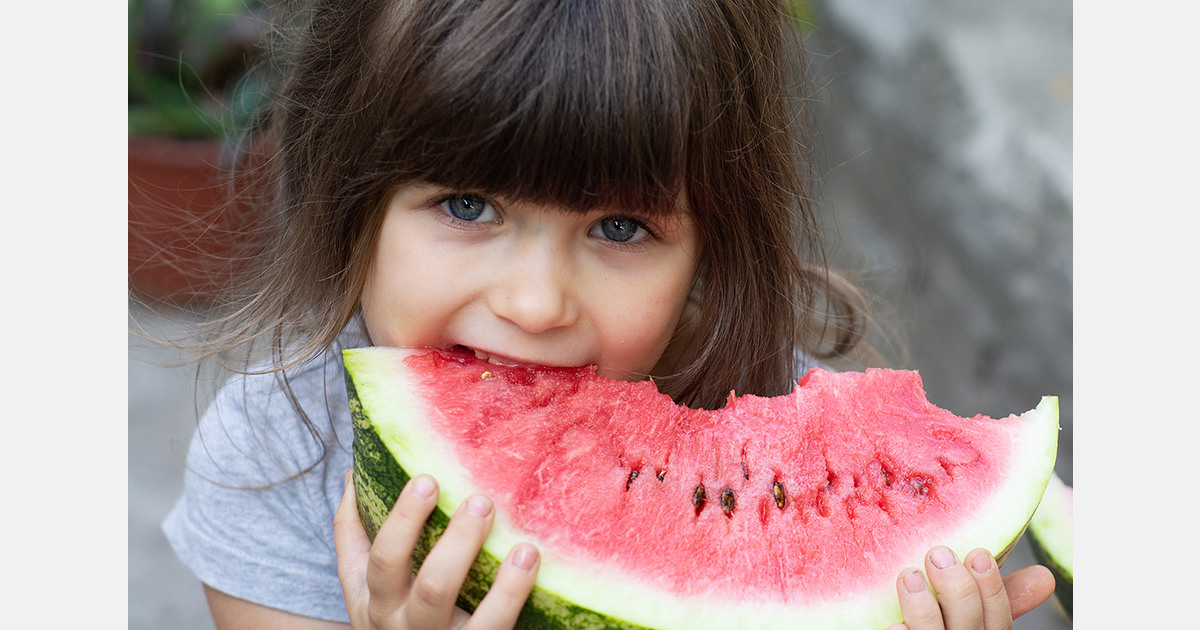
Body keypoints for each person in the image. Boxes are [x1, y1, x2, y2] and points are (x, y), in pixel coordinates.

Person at [158, 0, 1056, 628]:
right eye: (468, 206)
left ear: (714, 243)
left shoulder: (792, 452)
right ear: (349, 193)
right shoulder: (277, 460)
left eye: (619, 227)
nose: (535, 303)